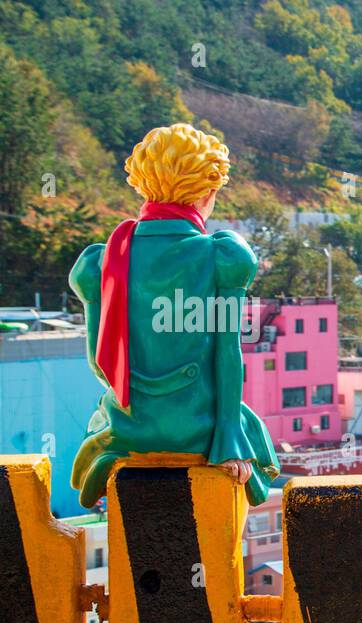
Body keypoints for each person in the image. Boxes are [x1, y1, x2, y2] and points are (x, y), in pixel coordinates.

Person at [68, 123, 279, 507]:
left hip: (128, 429)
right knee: (249, 428)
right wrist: (229, 437)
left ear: (143, 185)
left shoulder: (100, 263)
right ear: (207, 192)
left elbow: (101, 366)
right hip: (200, 430)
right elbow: (228, 356)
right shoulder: (222, 256)